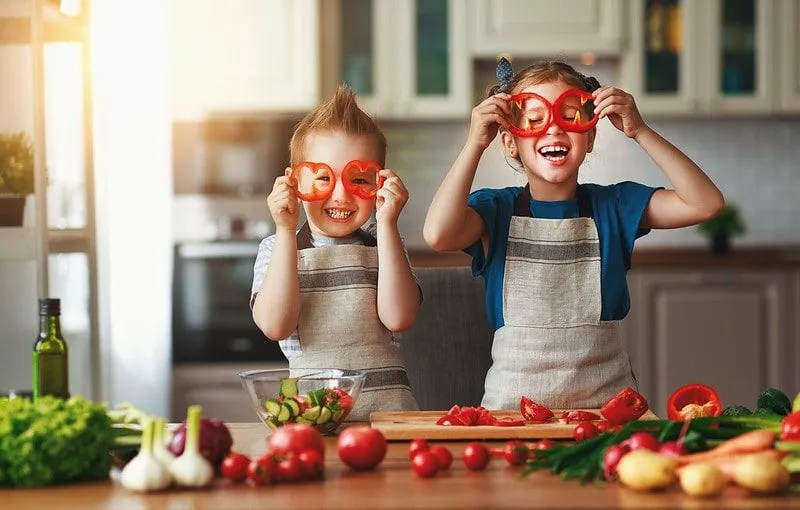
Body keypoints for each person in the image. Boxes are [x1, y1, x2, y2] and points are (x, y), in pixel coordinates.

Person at [423, 59, 724, 410]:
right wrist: (474, 143)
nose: (552, 130)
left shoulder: (614, 206)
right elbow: (438, 235)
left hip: (608, 418)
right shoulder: (495, 211)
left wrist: (639, 130)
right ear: (509, 142)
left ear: (591, 136)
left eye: (569, 117)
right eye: (535, 120)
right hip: (511, 419)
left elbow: (705, 203)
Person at [251, 85, 420, 420]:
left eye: (359, 179)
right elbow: (275, 325)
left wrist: (387, 225)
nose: (341, 195)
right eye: (322, 178)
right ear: (294, 183)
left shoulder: (386, 246)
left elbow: (399, 318)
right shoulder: (278, 248)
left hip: (389, 420)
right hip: (315, 419)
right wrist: (286, 229)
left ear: (380, 183)